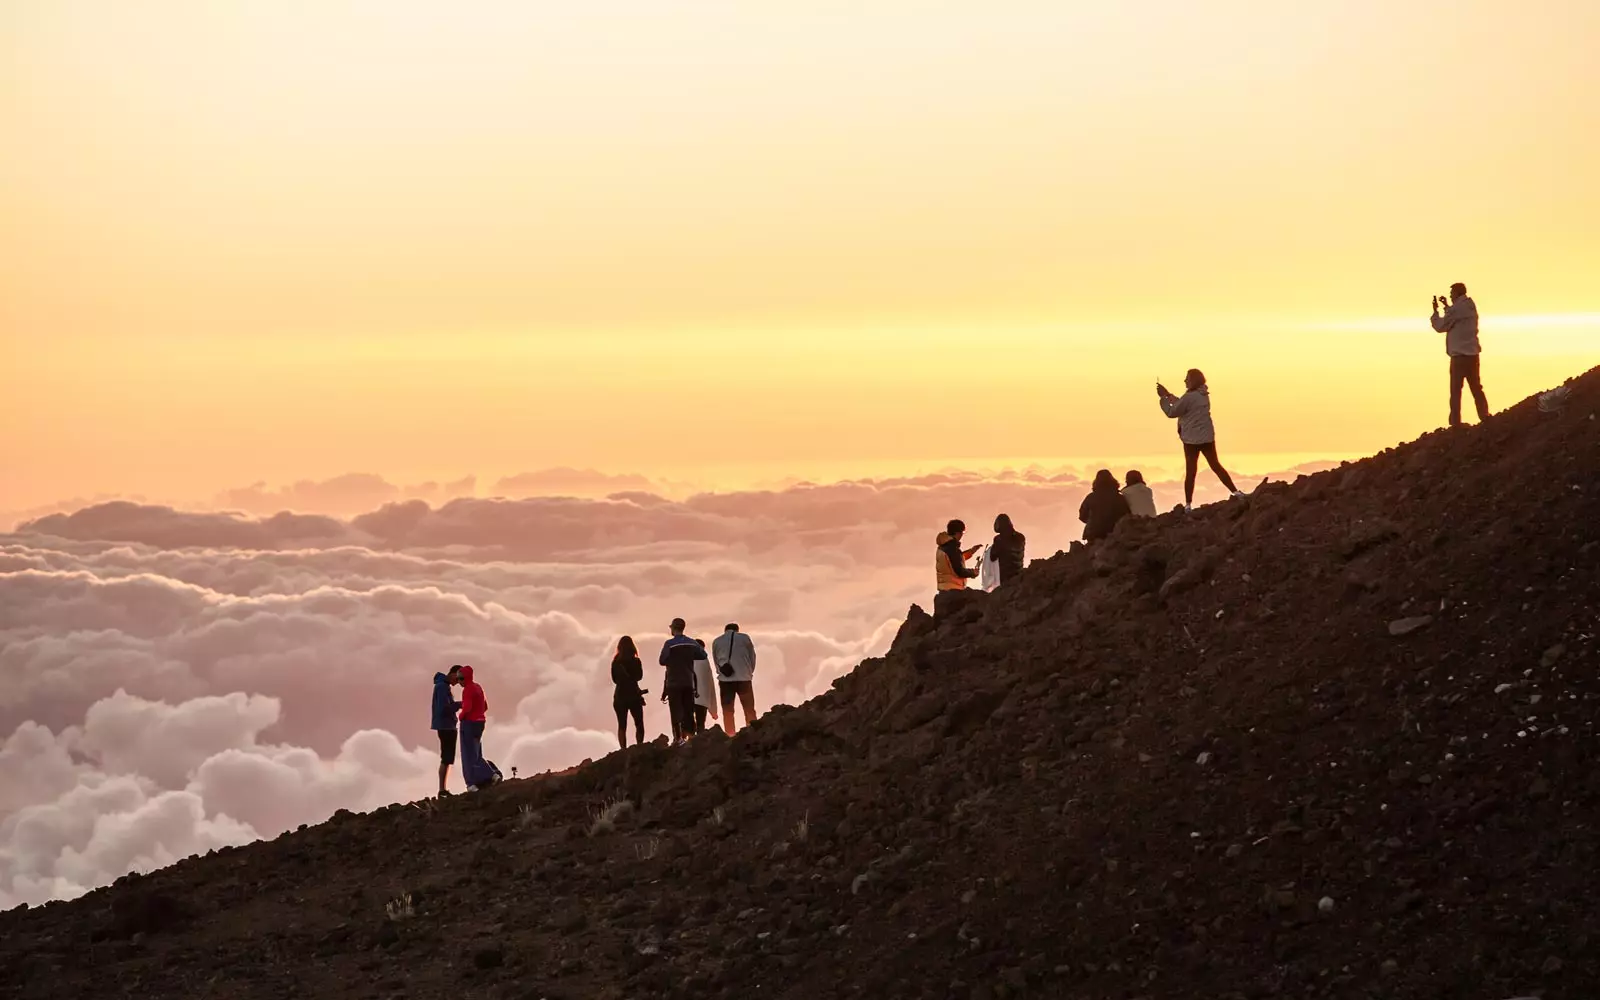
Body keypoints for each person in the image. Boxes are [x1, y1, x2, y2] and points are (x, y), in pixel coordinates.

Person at [1157, 369, 1246, 510]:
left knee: (1191, 472)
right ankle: (1235, 492)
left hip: (1191, 440)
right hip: (1207, 438)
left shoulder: (1190, 397)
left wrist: (1163, 398)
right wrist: (1168, 395)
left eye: (1187, 378)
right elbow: (1184, 405)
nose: (1185, 381)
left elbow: (1172, 412)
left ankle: (1188, 504)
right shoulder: (1203, 394)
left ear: (1193, 380)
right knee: (1216, 465)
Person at [1431, 282, 1489, 427]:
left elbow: (1441, 326)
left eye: (1451, 293)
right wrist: (1447, 306)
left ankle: (1455, 423)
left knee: (1456, 391)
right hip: (1473, 355)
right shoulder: (1469, 306)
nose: (1450, 296)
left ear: (1457, 293)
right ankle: (1485, 416)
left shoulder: (1456, 309)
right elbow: (1456, 316)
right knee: (1476, 388)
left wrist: (1435, 312)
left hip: (1459, 357)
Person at [658, 618, 705, 746]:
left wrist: (673, 661)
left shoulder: (669, 644)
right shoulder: (692, 643)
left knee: (675, 710)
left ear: (673, 628)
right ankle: (691, 737)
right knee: (688, 710)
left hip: (673, 682)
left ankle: (678, 738)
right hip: (688, 681)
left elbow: (662, 661)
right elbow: (703, 655)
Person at [711, 623, 758, 736]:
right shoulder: (745, 638)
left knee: (728, 711)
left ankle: (730, 734)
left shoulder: (717, 641)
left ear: (725, 630)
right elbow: (752, 657)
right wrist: (749, 672)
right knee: (749, 709)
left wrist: (722, 672)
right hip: (744, 678)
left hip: (725, 680)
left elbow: (716, 661)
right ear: (737, 630)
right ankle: (753, 732)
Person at [457, 664, 495, 789]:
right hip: (480, 722)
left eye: (461, 678)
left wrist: (461, 716)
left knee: (468, 755)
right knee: (476, 752)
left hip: (469, 723)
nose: (459, 682)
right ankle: (491, 775)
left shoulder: (467, 690)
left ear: (466, 678)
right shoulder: (478, 687)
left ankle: (471, 784)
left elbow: (467, 708)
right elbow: (485, 706)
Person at [431, 665, 463, 797]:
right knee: (446, 757)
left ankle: (442, 789)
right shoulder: (442, 687)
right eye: (459, 677)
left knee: (447, 757)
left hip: (444, 725)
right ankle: (442, 790)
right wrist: (460, 704)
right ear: (453, 674)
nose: (459, 681)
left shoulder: (442, 686)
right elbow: (445, 708)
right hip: (446, 726)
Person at [610, 637, 646, 749]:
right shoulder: (636, 661)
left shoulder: (616, 662)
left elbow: (614, 680)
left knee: (622, 724)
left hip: (620, 695)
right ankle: (639, 746)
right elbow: (639, 677)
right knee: (639, 723)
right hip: (634, 694)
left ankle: (623, 749)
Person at [1079, 469, 1132, 541]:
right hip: (1114, 533)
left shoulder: (1091, 497)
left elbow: (1082, 516)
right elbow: (1126, 515)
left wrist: (1093, 522)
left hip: (1094, 534)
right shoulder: (1119, 498)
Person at [935, 519, 982, 592]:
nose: (962, 535)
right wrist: (973, 572)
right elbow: (959, 571)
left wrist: (971, 552)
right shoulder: (952, 548)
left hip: (944, 589)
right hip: (953, 589)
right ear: (957, 533)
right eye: (963, 532)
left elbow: (953, 560)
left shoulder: (943, 547)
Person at [989, 514, 1026, 588]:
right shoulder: (1021, 537)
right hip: (1019, 573)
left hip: (1005, 575)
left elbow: (992, 557)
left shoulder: (999, 539)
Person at [692, 638, 719, 735]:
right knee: (700, 725)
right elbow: (710, 684)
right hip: (702, 699)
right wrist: (713, 710)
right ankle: (698, 745)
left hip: (687, 697)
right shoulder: (705, 661)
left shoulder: (684, 658)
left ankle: (684, 745)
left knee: (687, 724)